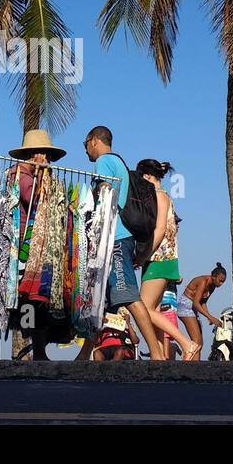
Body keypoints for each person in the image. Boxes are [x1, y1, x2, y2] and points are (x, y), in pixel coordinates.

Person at [83, 126, 161, 358]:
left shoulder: (104, 162)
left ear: (94, 141)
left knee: (128, 296)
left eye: (85, 144)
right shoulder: (119, 163)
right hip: (121, 238)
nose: (86, 150)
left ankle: (156, 354)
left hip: (114, 239)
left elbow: (104, 196)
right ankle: (84, 354)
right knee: (101, 301)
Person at [6, 128, 68, 361]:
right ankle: (29, 347)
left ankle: (38, 350)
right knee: (26, 301)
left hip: (33, 246)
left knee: (35, 302)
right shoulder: (22, 174)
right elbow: (31, 197)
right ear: (34, 155)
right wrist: (41, 173)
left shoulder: (34, 174)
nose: (47, 160)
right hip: (23, 245)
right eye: (44, 155)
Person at [135, 158, 199, 360]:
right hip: (160, 260)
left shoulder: (159, 196)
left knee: (144, 308)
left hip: (159, 259)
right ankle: (160, 355)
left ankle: (186, 343)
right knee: (152, 309)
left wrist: (141, 255)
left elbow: (160, 229)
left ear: (146, 176)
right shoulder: (163, 197)